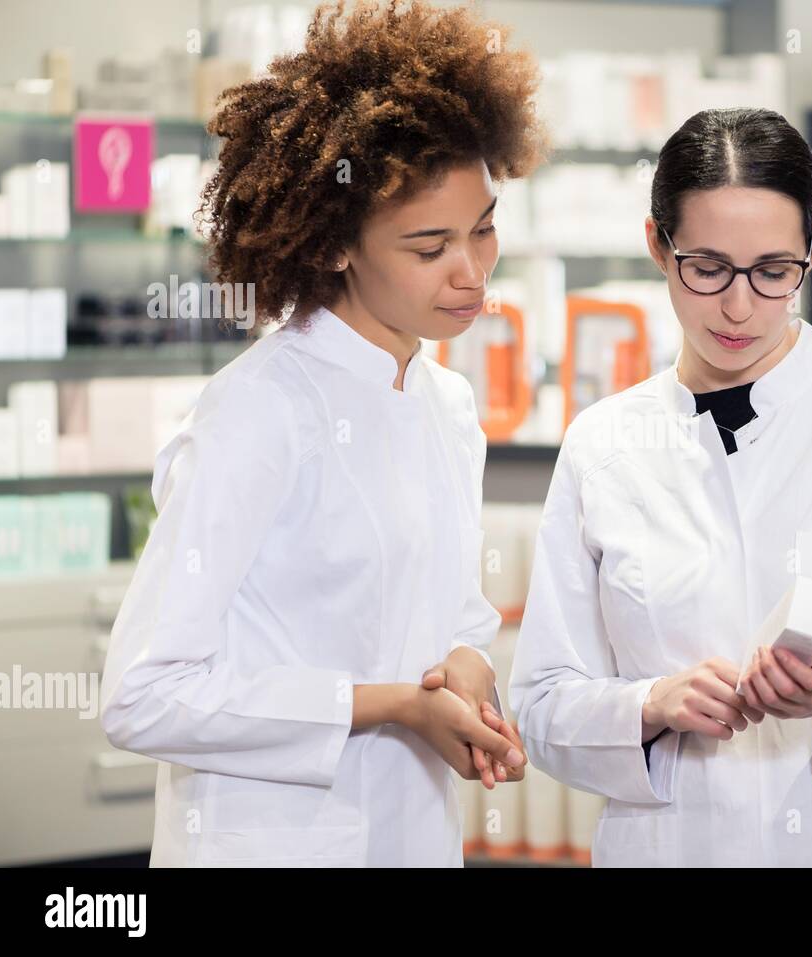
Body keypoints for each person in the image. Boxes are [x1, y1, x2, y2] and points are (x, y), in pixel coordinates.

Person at [100, 0, 545, 867]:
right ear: (338, 244)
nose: (473, 271)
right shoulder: (256, 414)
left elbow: (456, 615)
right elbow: (142, 695)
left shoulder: (446, 409)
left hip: (412, 835)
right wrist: (387, 704)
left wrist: (465, 668)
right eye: (430, 247)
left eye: (484, 228)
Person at [508, 107, 812, 867]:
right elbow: (542, 701)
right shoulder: (602, 443)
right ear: (657, 244)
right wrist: (648, 704)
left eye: (774, 272)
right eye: (707, 268)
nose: (739, 307)